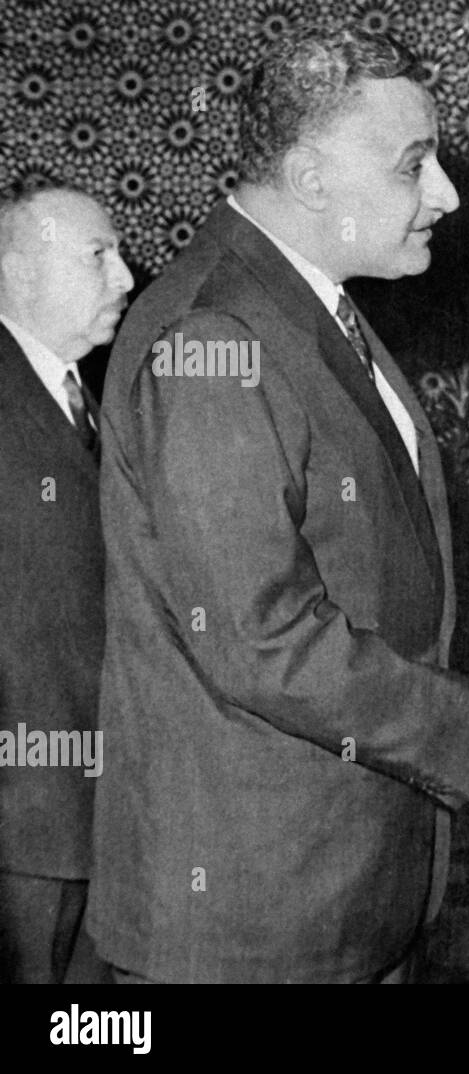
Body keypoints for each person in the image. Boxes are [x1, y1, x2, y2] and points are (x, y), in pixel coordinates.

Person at [87, 25, 469, 984]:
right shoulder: (214, 335)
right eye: (416, 164)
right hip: (256, 922)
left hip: (336, 895)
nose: (448, 194)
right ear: (311, 176)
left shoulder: (303, 306)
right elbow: (263, 641)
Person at [0, 184, 133, 984]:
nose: (123, 276)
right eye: (98, 256)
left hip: (94, 809)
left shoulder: (86, 395)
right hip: (23, 819)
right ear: (16, 271)